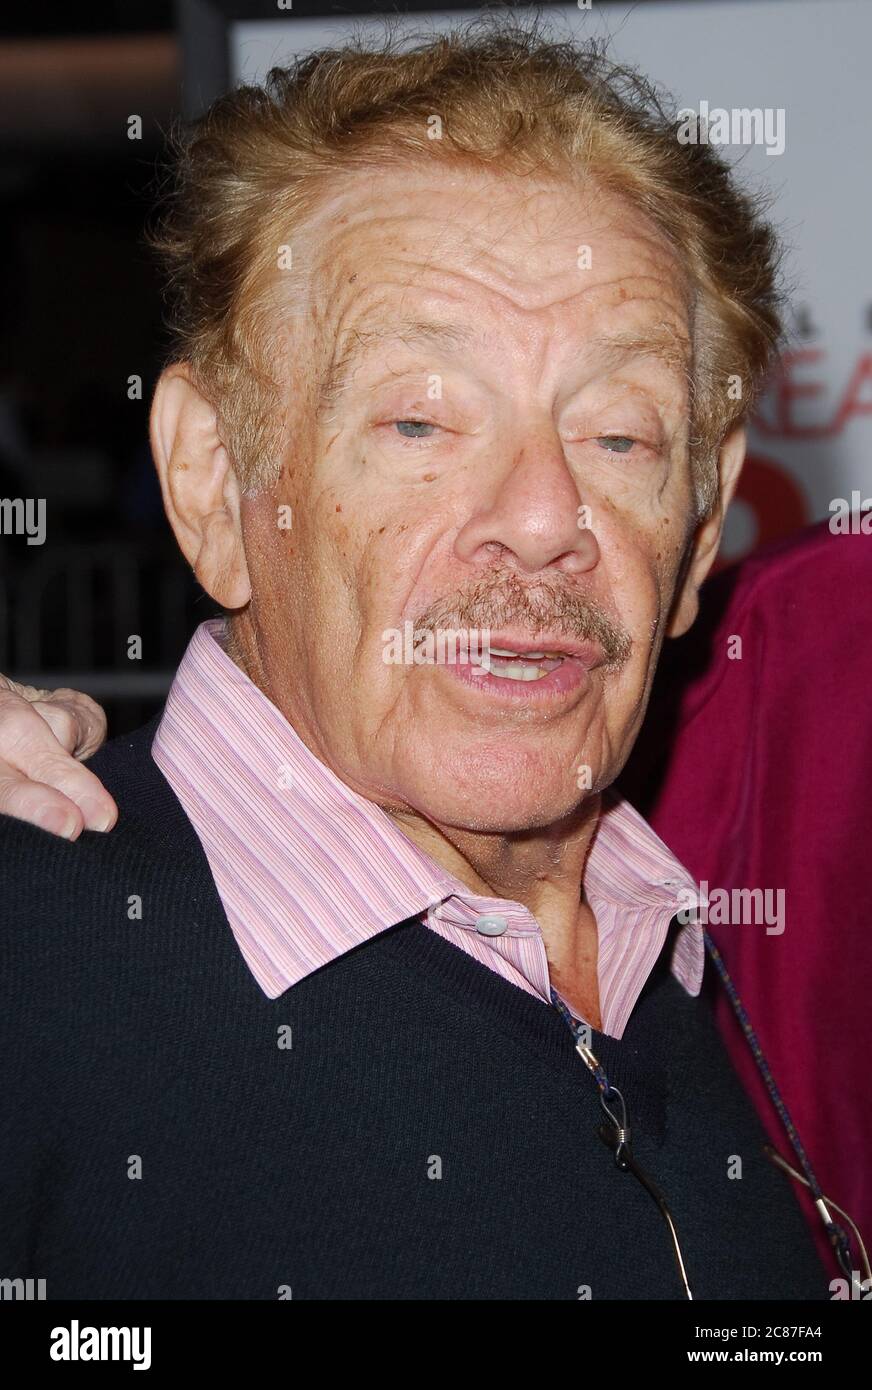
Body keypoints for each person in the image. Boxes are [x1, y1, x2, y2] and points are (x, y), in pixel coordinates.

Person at [0, 23, 833, 1300]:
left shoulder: (696, 953)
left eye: (619, 434)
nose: (546, 514)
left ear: (701, 521)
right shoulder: (31, 962)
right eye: (418, 418)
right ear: (217, 486)